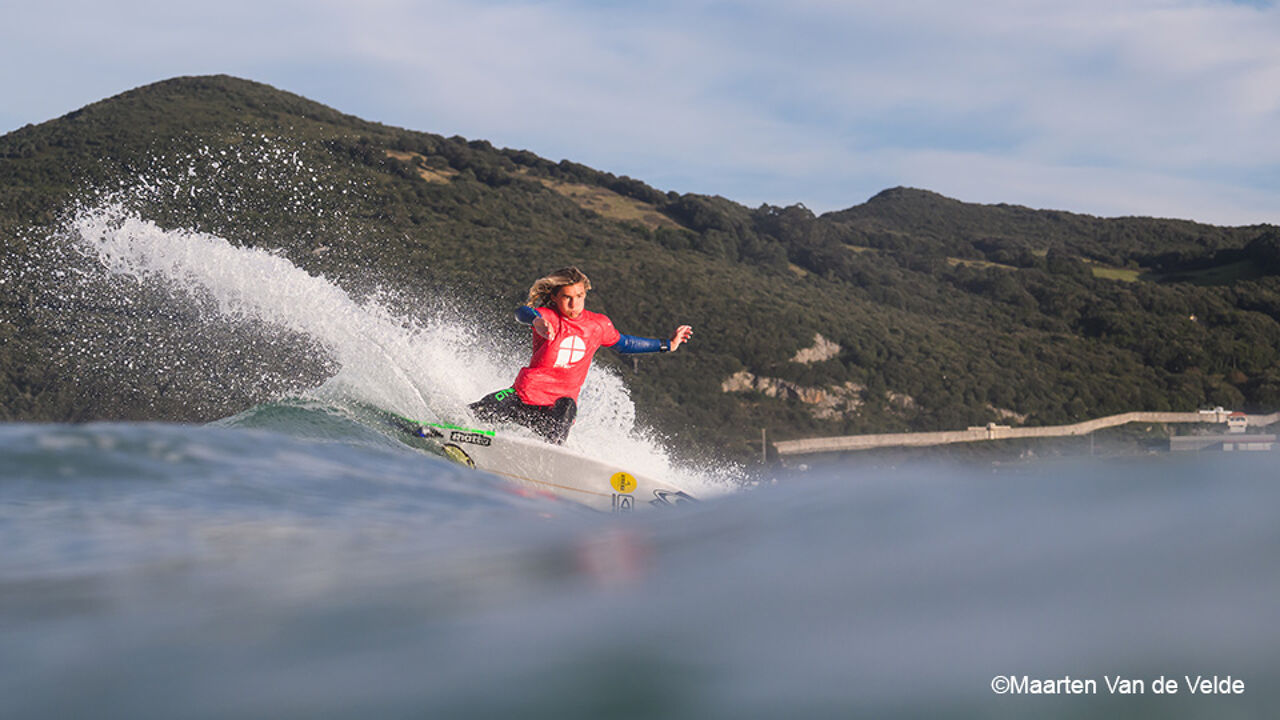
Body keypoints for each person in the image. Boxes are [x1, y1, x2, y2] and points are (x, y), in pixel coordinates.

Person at [470, 266, 693, 444]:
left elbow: (625, 343)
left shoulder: (598, 325)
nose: (574, 303)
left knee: (567, 409)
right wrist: (535, 321)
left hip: (555, 407)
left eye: (579, 296)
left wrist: (667, 344)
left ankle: (551, 456)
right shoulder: (547, 317)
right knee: (477, 411)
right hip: (522, 396)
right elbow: (522, 312)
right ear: (555, 297)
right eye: (567, 297)